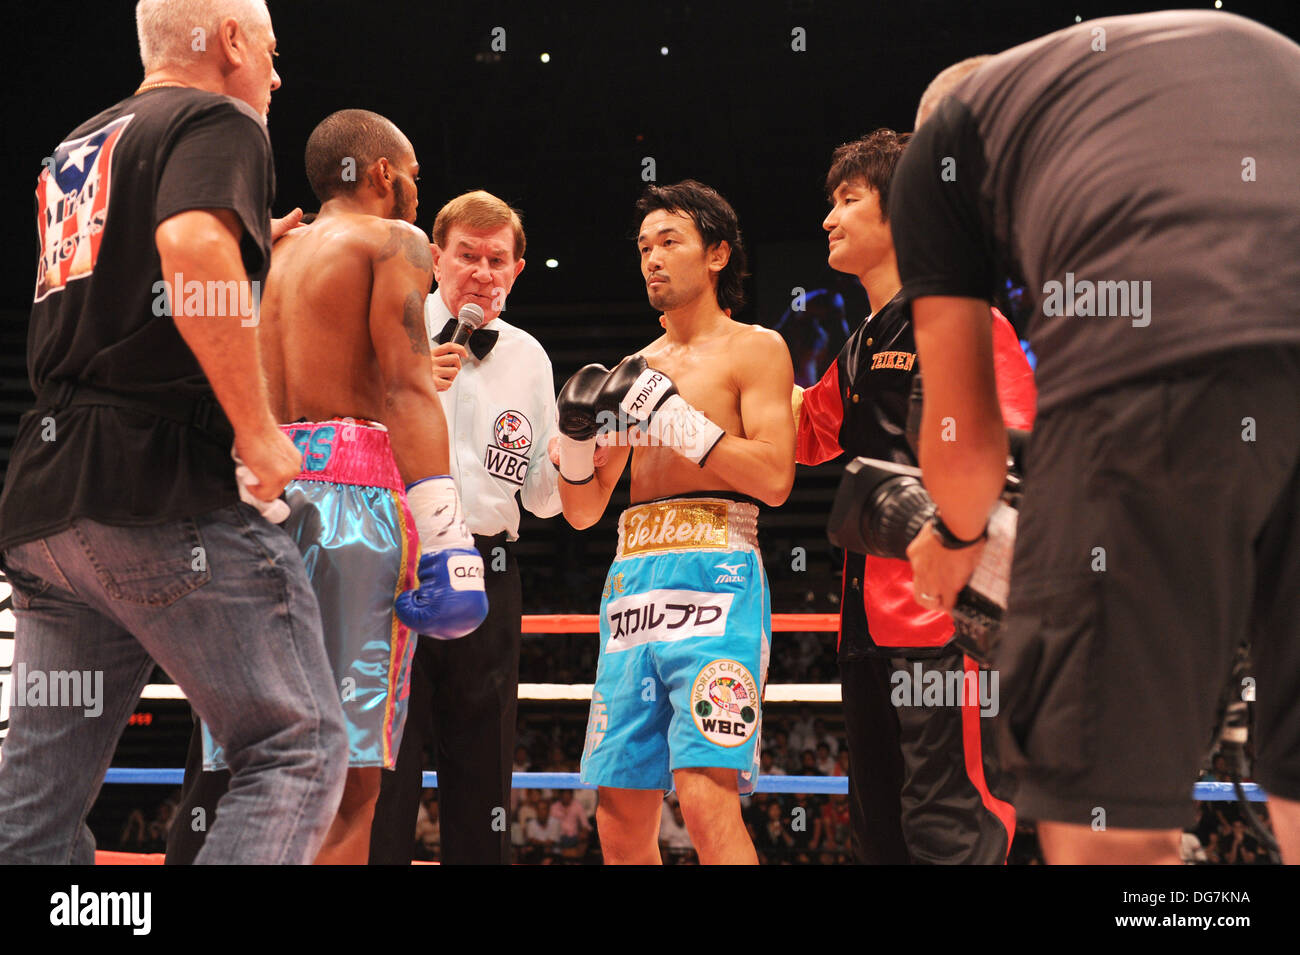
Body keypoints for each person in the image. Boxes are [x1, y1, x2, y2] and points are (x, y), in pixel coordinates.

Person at [891, 11, 1300, 863]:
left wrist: (958, 534)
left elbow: (962, 437)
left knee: (1107, 826)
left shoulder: (943, 145)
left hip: (1156, 372)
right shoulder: (1187, 68)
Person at [0, 0, 351, 865]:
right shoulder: (217, 115)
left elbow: (130, 280)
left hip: (50, 514)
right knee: (294, 745)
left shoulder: (79, 146)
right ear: (230, 40)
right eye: (270, 51)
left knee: (34, 812)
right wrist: (259, 431)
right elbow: (190, 250)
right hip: (159, 488)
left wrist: (245, 241)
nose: (276, 75)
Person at [167, 109, 487, 865]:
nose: (416, 189)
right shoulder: (394, 241)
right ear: (383, 174)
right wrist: (446, 532)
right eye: (412, 174)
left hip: (255, 494)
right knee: (349, 778)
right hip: (352, 499)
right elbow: (410, 389)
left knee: (264, 762)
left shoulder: (268, 252)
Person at [794, 130, 1036, 863]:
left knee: (952, 833)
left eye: (847, 200)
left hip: (946, 630)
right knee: (884, 840)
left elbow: (1018, 461)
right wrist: (712, 370)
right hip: (866, 631)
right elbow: (807, 435)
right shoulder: (863, 340)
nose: (828, 219)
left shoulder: (964, 319)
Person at [556, 180, 795, 865]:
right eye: (643, 247)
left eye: (669, 242)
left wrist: (685, 427)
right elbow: (583, 511)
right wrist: (574, 452)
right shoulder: (634, 370)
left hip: (717, 572)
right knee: (620, 808)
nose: (651, 259)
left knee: (703, 796)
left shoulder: (757, 349)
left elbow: (776, 479)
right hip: (633, 579)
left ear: (718, 254)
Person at [368, 190, 562, 865]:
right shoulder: (389, 329)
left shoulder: (531, 358)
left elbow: (540, 496)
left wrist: (585, 454)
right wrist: (411, 380)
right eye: (468, 255)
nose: (483, 271)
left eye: (497, 258)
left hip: (491, 566)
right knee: (389, 752)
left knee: (484, 758)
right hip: (395, 553)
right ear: (435, 258)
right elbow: (345, 443)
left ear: (518, 268)